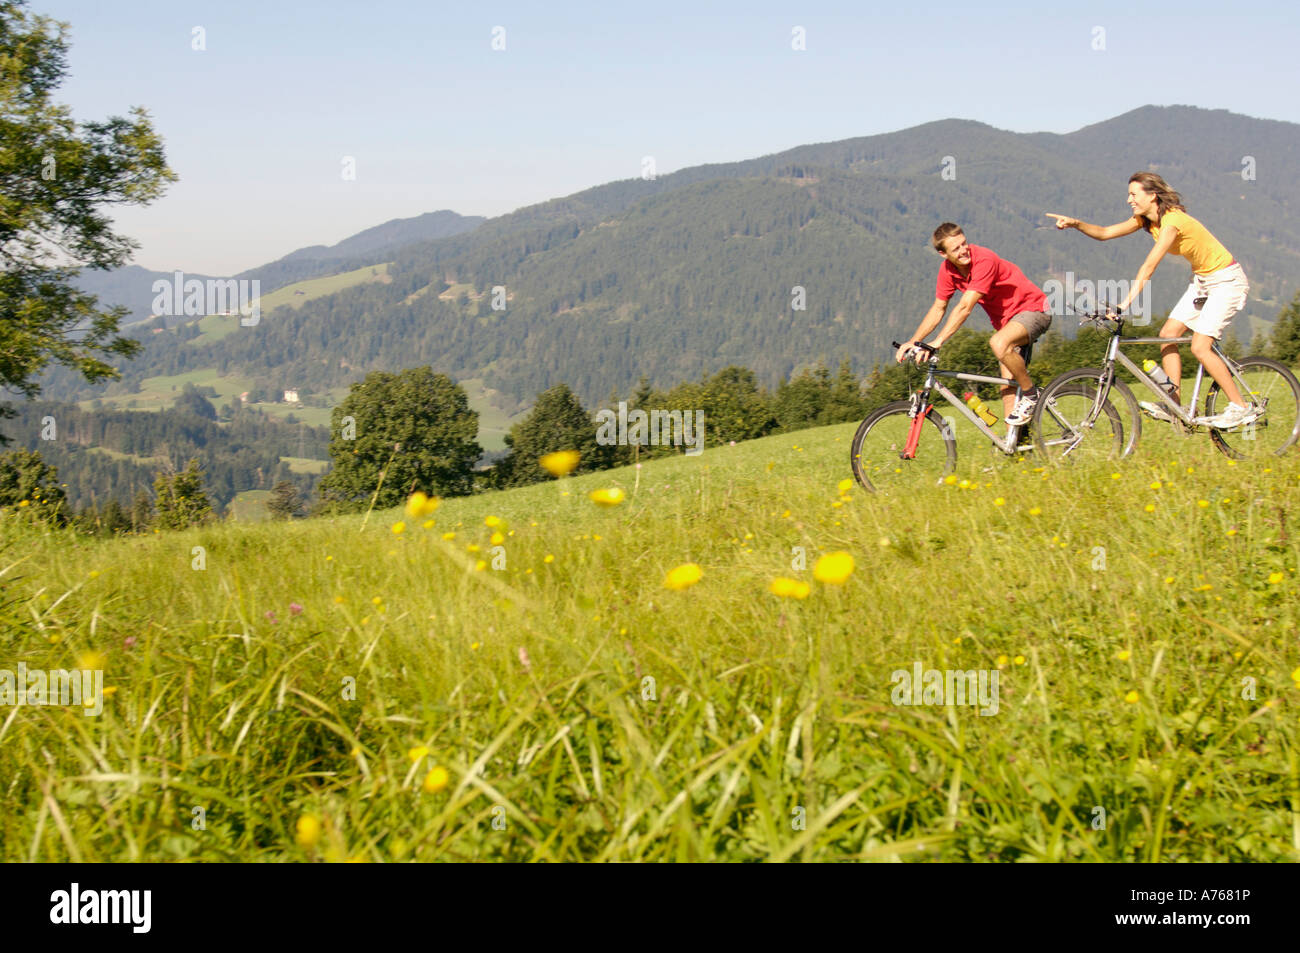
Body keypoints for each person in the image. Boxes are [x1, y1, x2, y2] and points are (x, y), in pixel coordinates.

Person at [1046, 172, 1254, 428]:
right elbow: (1105, 232)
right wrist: (1075, 223)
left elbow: (1149, 266)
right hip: (1203, 282)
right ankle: (1174, 404)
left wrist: (1124, 305)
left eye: (1134, 194)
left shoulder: (1172, 222)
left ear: (1152, 195)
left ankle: (1240, 407)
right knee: (1168, 335)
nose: (1129, 200)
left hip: (1226, 282)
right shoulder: (1147, 220)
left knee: (1200, 346)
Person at [896, 223, 1052, 427]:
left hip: (1033, 310)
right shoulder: (948, 271)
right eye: (956, 249)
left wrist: (938, 341)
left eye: (964, 244)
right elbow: (938, 308)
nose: (963, 251)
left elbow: (965, 307)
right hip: (1007, 323)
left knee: (998, 343)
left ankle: (1032, 395)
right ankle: (1016, 448)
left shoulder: (984, 260)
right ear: (943, 254)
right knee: (1007, 390)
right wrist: (914, 341)